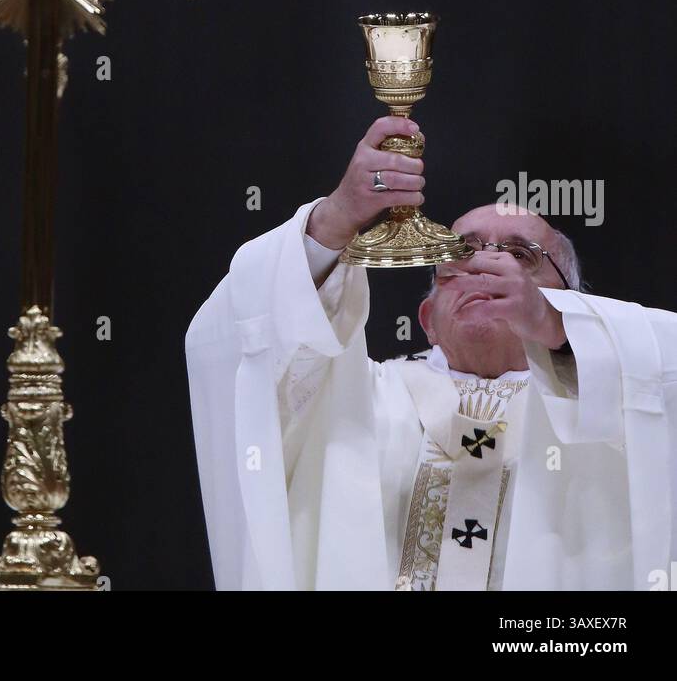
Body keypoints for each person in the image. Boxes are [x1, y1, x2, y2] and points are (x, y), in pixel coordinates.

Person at [185, 116, 677, 590]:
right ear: (428, 318)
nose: (487, 266)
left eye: (522, 256)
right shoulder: (352, 404)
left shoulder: (618, 400)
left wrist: (555, 327)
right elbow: (237, 352)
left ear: (576, 305)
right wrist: (335, 218)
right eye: (461, 255)